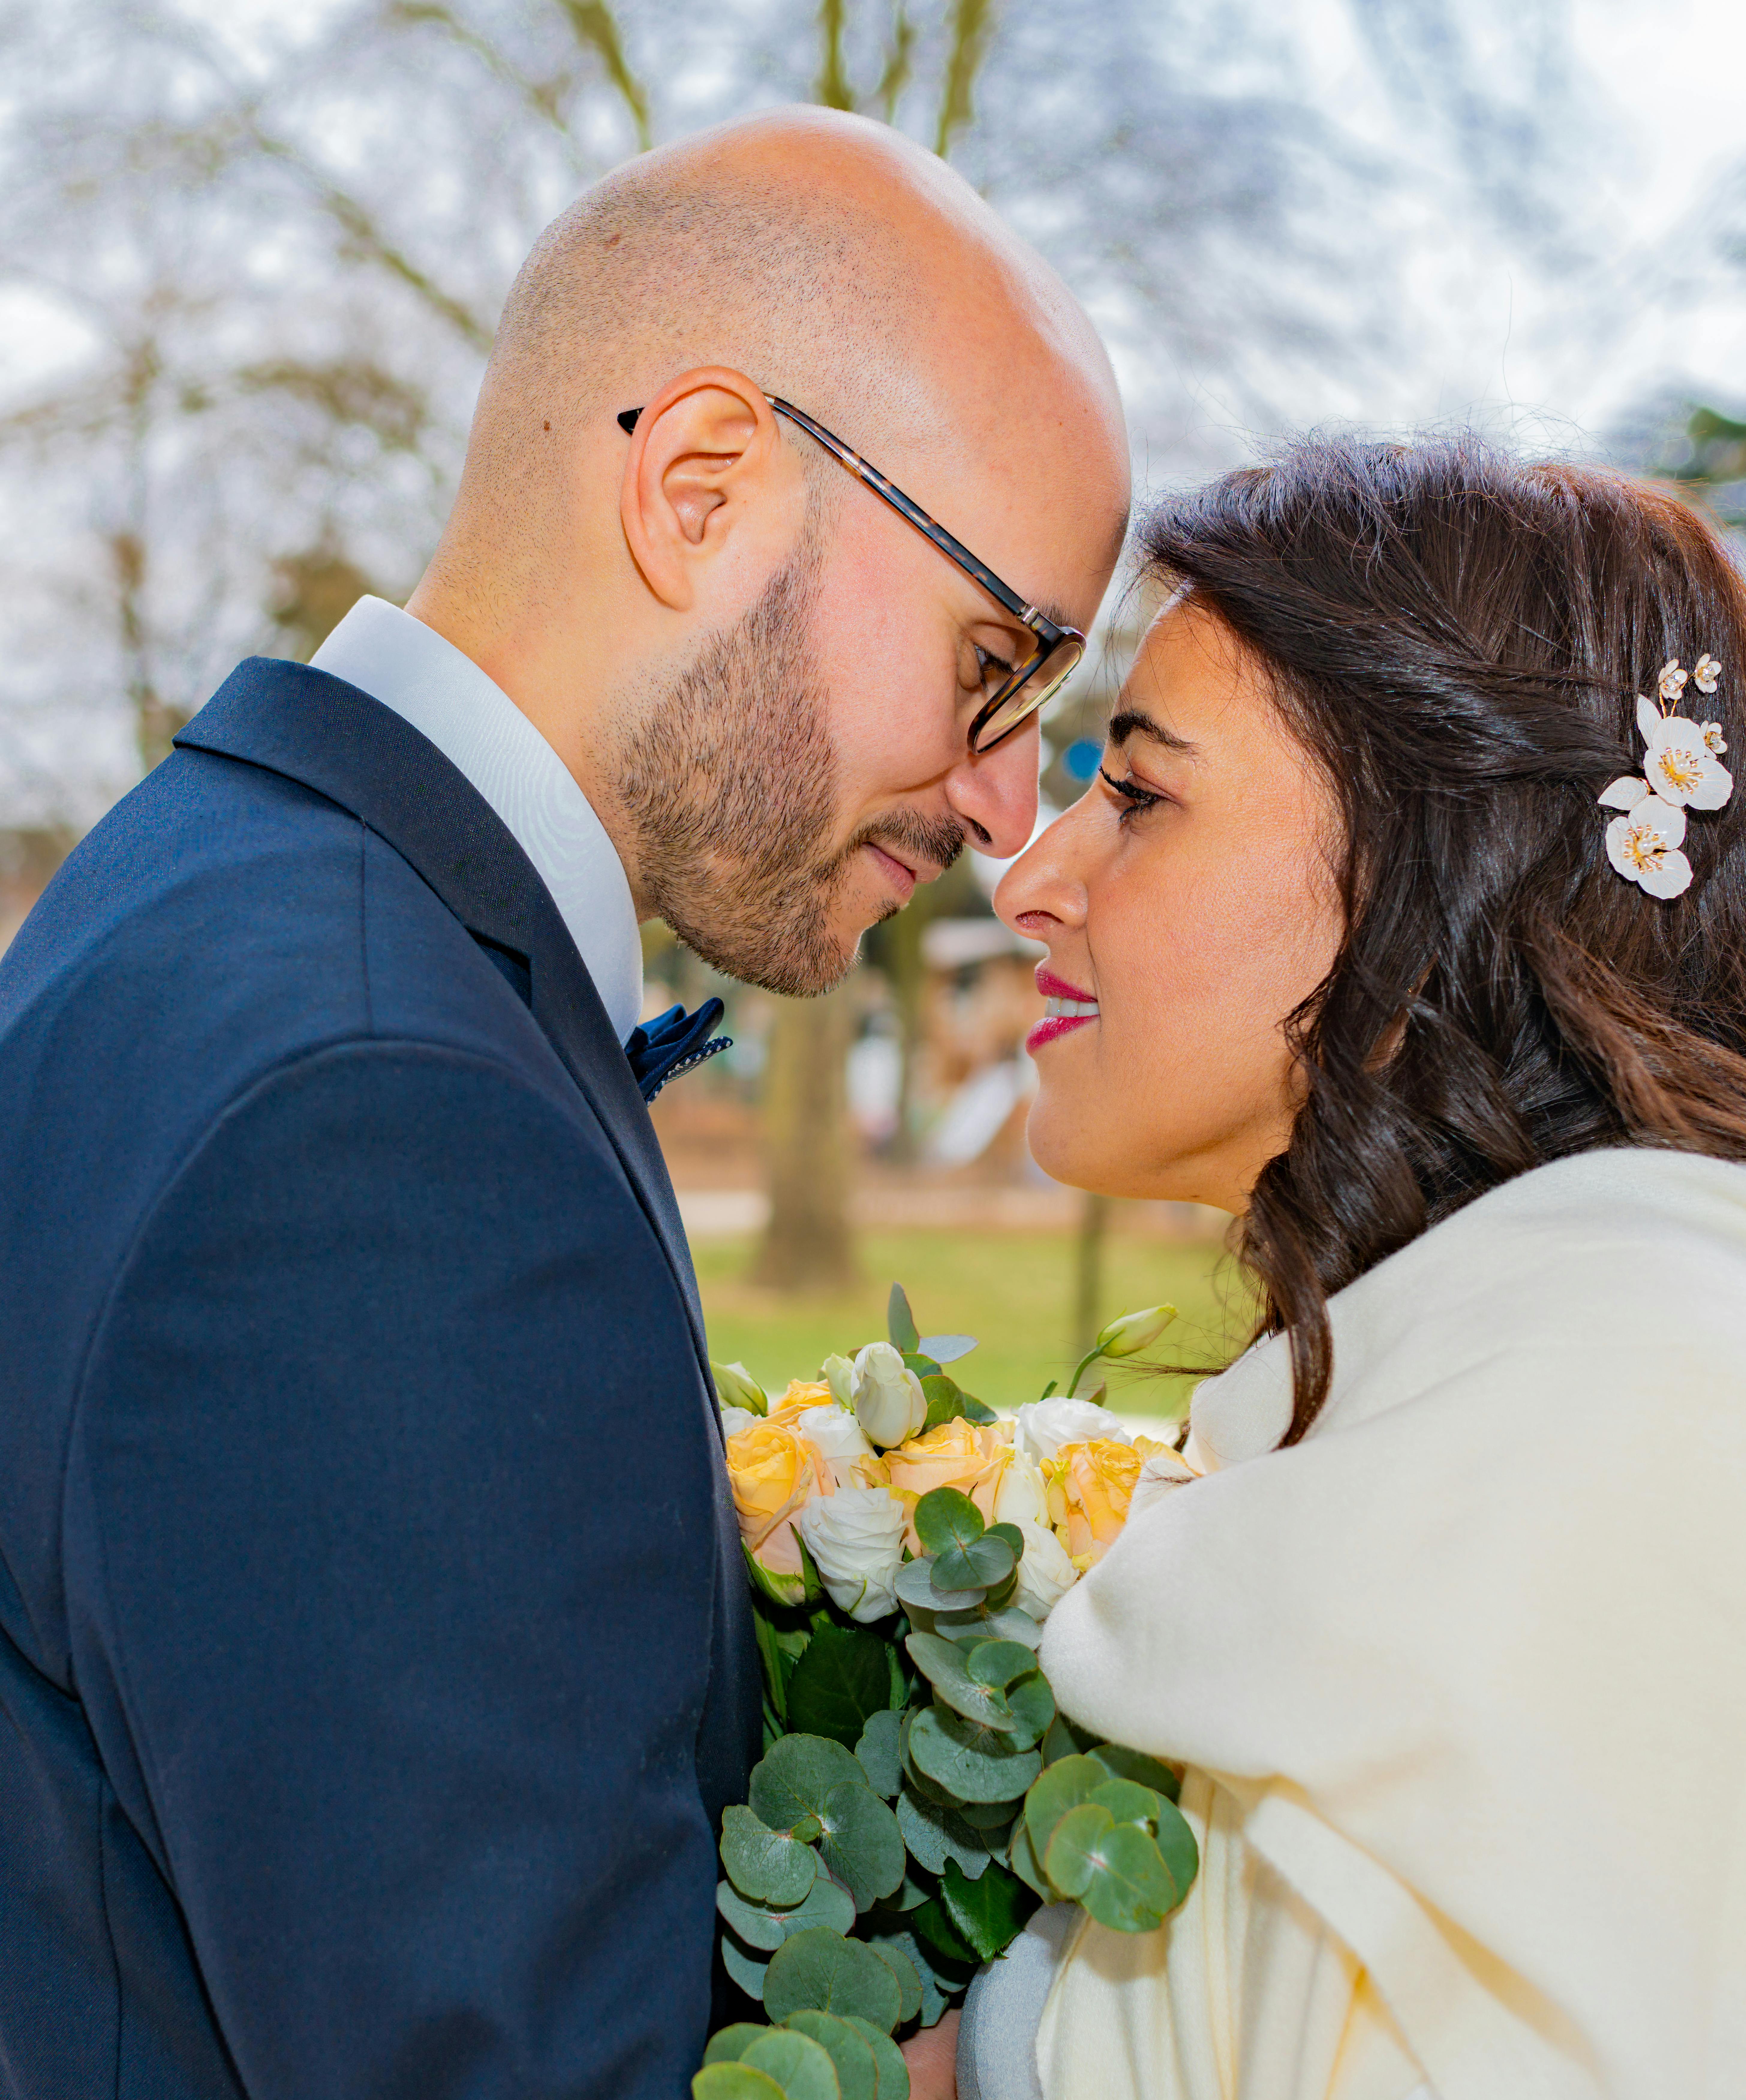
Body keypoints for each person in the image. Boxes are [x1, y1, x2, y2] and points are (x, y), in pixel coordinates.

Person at [0, 108, 1128, 2099]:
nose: (999, 804)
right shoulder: (377, 1120)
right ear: (702, 489)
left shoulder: (215, 889)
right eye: (992, 664)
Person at [952, 436, 1746, 2100]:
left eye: (1139, 796)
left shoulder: (1611, 1447)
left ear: (1427, 888)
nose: (1033, 883)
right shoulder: (1508, 1377)